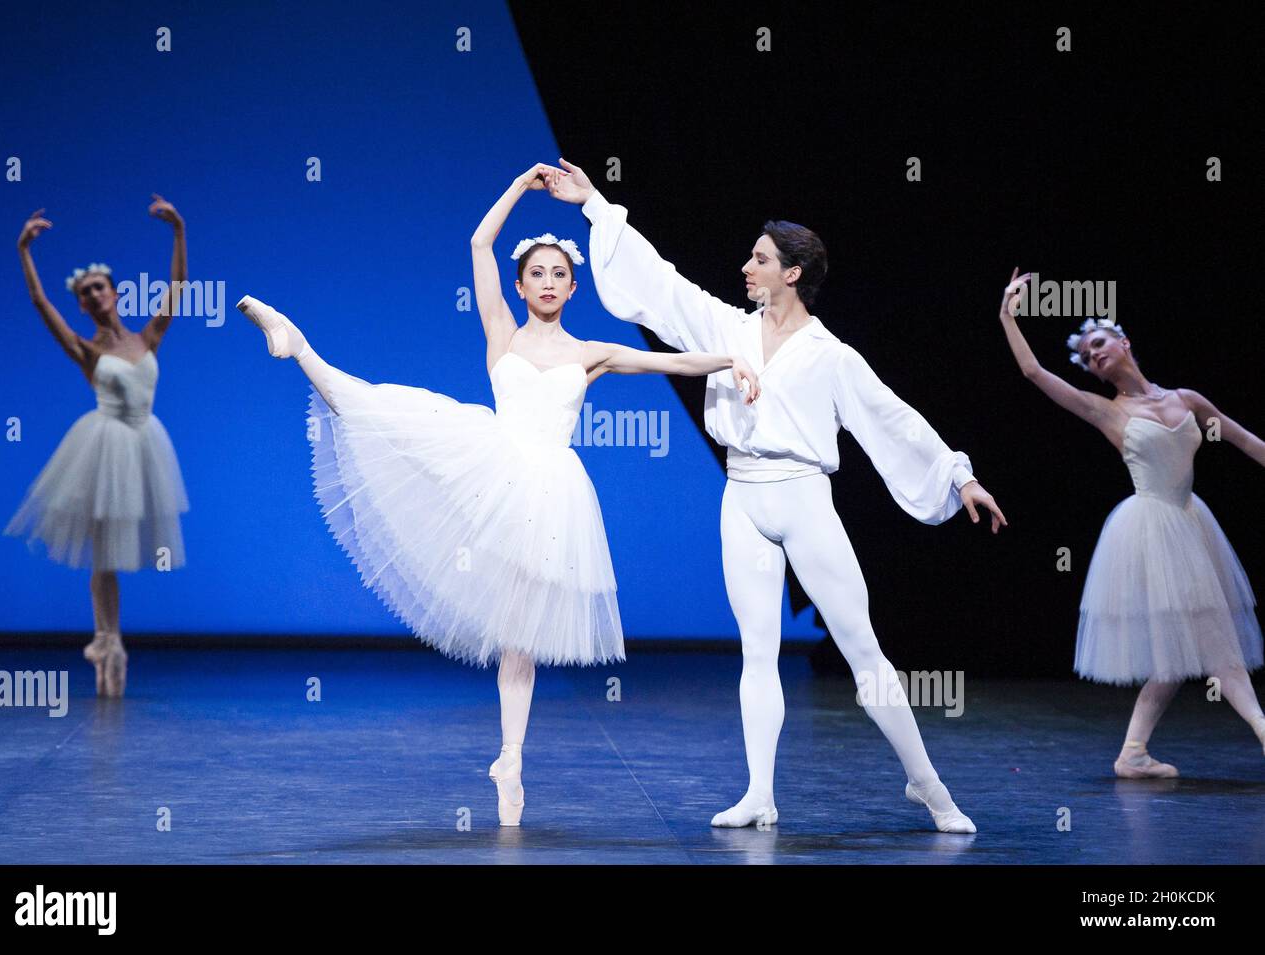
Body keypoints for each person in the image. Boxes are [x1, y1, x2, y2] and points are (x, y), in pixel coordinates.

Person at [237, 163, 761, 826]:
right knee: (372, 409)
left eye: (558, 274)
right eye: (536, 274)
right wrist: (518, 188)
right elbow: (480, 244)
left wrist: (732, 358)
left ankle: (510, 761)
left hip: (547, 495)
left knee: (520, 642)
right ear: (521, 284)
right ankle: (297, 340)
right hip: (487, 459)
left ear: (573, 286)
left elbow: (675, 361)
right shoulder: (501, 331)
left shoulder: (591, 352)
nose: (547, 282)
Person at [546, 159, 1005, 833]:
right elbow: (661, 286)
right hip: (743, 497)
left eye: (760, 259)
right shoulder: (727, 331)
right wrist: (594, 204)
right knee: (756, 652)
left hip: (803, 498)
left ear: (792, 272)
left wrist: (958, 474)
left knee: (862, 648)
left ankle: (928, 785)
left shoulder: (832, 355)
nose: (746, 266)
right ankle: (759, 792)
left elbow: (893, 418)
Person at [997, 268, 1265, 777]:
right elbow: (1034, 373)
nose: (1094, 355)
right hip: (1149, 533)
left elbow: (1247, 442)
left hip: (1191, 524)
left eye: (1100, 344)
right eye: (1087, 357)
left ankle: (1132, 753)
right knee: (1212, 640)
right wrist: (1008, 313)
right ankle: (1260, 729)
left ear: (1123, 341)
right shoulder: (1106, 412)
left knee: (1181, 651)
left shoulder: (1187, 401)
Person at [5, 197, 190, 698]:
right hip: (104, 447)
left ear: (113, 292)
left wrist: (178, 230)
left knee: (117, 552)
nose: (93, 293)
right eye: (86, 292)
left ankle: (110, 644)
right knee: (103, 555)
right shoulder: (86, 351)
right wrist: (24, 251)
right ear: (84, 305)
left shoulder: (147, 336)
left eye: (99, 286)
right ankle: (107, 641)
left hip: (144, 443)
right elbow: (42, 305)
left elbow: (177, 289)